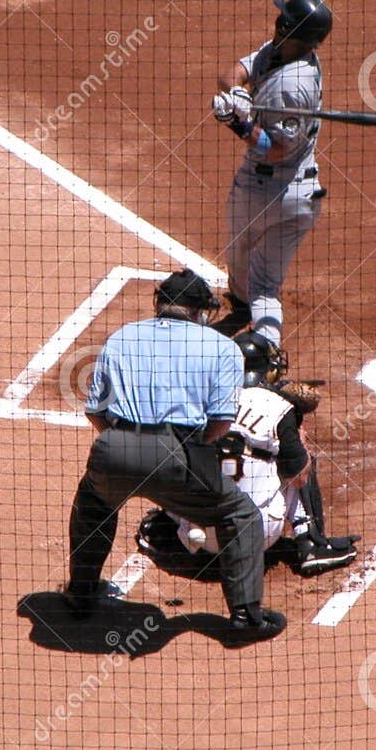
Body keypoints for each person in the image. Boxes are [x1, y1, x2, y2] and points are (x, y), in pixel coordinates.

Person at [65, 269, 286, 644]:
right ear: (200, 311)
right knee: (241, 515)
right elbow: (221, 420)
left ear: (160, 304)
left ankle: (81, 594)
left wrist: (122, 445)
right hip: (178, 453)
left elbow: (94, 410)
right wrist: (188, 450)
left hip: (114, 447)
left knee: (93, 505)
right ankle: (247, 618)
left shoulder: (122, 337)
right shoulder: (222, 348)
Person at [148, 331, 358, 575]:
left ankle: (162, 529)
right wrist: (297, 433)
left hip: (200, 536)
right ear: (266, 369)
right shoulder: (278, 406)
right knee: (299, 462)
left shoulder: (200, 399)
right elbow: (299, 477)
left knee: (181, 456)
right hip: (257, 535)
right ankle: (310, 544)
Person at [210, 0, 331, 343]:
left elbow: (275, 150)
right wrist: (238, 94)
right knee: (252, 280)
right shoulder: (279, 50)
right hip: (302, 192)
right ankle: (257, 333)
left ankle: (264, 352)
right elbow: (232, 73)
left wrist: (239, 124)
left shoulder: (291, 87)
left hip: (266, 192)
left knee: (258, 285)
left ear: (287, 27)